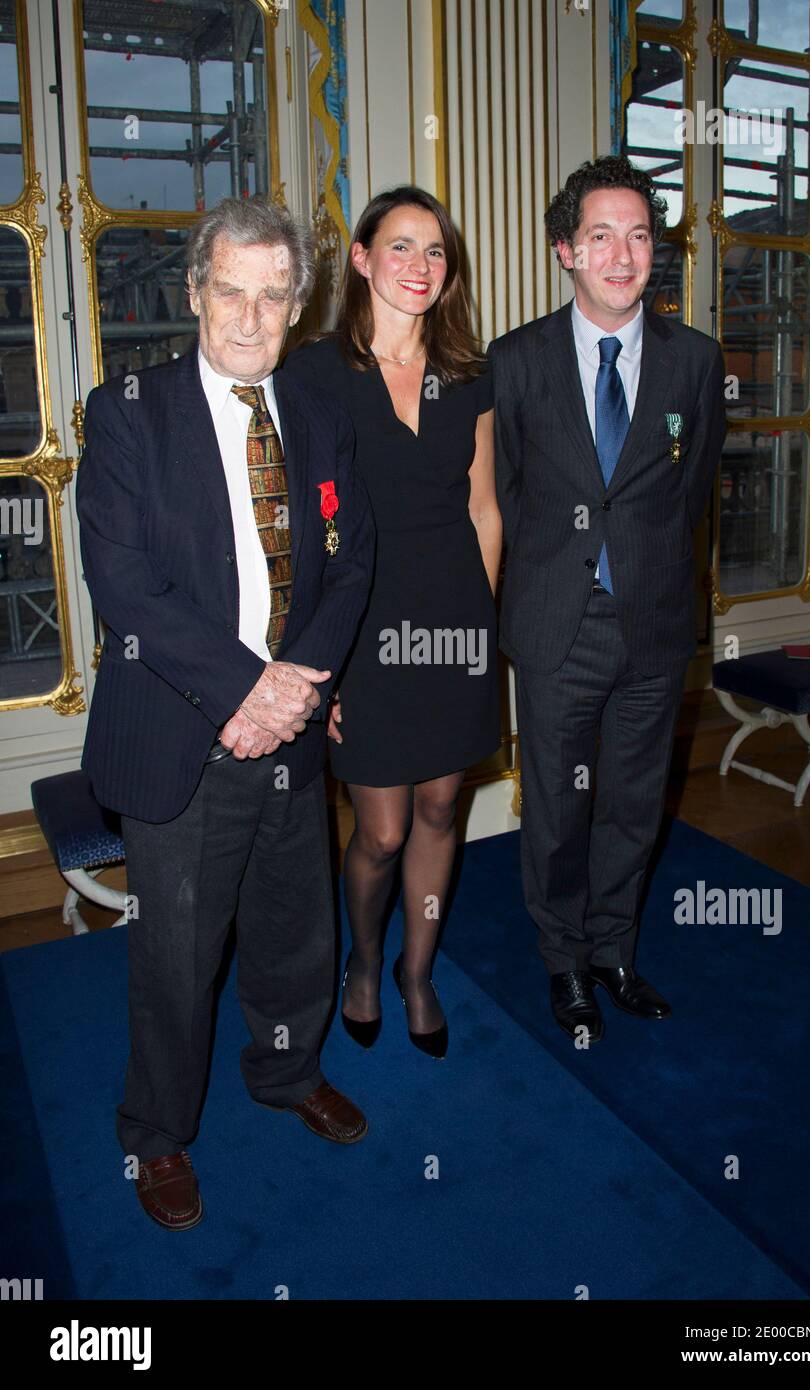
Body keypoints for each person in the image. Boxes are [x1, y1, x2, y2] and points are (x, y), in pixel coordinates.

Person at [76, 195, 375, 1229]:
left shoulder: (321, 409)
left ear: (299, 306)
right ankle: (156, 1132)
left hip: (288, 728)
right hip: (180, 734)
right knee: (175, 952)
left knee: (297, 926)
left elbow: (349, 563)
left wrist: (296, 687)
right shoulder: (124, 412)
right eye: (230, 292)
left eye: (274, 296)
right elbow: (125, 588)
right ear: (195, 292)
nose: (250, 318)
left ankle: (288, 1075)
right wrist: (246, 692)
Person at [488, 155, 726, 1045]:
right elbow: (502, 501)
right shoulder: (514, 364)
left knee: (633, 801)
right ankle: (564, 964)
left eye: (638, 236)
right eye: (600, 237)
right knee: (558, 810)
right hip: (559, 627)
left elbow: (690, 493)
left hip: (656, 625)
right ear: (565, 251)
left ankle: (615, 951)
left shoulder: (695, 363)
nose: (623, 255)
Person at [283, 186, 501, 1059]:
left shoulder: (471, 374)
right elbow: (302, 532)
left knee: (443, 808)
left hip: (455, 620)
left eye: (436, 252)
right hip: (361, 628)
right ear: (363, 260)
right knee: (381, 827)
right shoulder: (312, 374)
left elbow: (484, 509)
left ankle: (418, 971)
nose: (419, 266)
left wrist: (479, 626)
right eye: (400, 247)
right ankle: (363, 962)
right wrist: (316, 667)